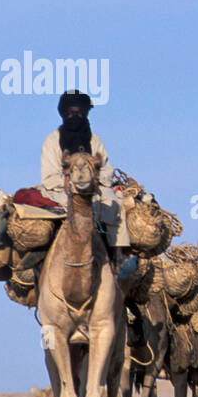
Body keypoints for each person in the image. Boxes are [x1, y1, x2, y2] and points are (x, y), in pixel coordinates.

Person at [40, 89, 135, 279]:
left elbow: (107, 170)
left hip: (94, 190)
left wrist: (93, 182)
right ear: (63, 113)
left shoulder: (94, 140)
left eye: (79, 113)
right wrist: (72, 183)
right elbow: (49, 176)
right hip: (62, 192)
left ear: (85, 113)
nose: (74, 116)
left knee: (115, 206)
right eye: (70, 113)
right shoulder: (52, 141)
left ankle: (121, 256)